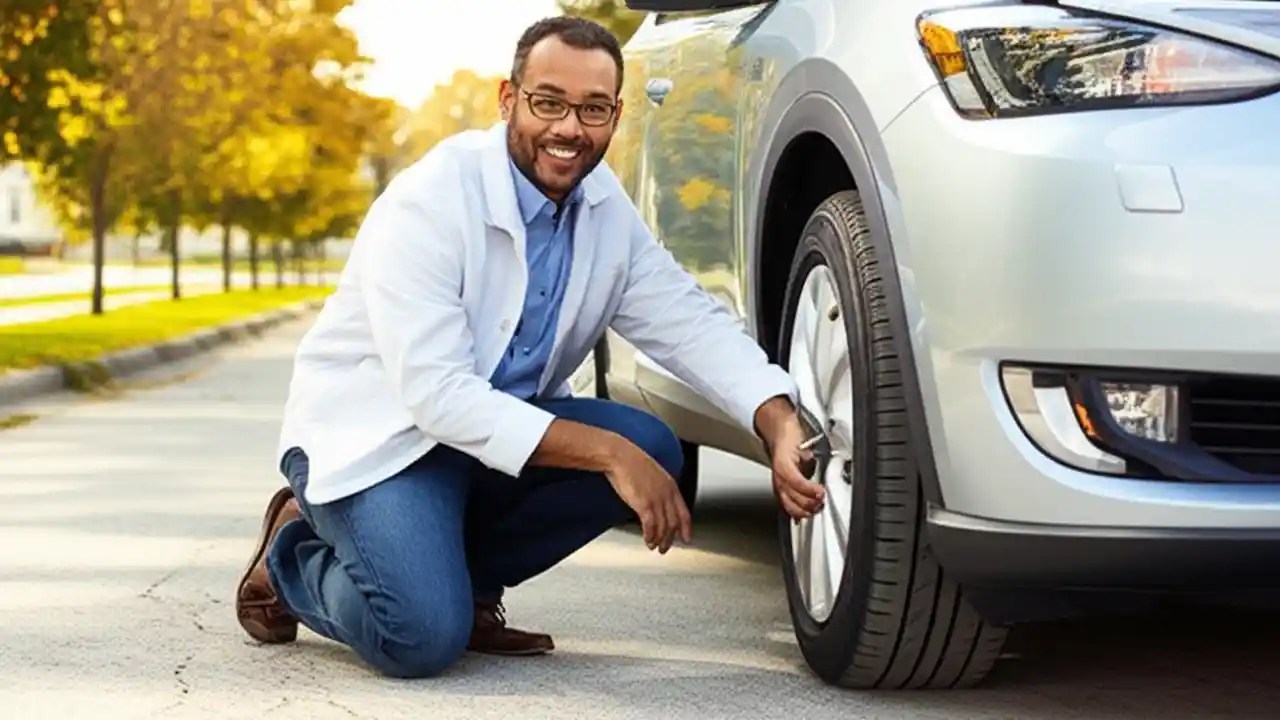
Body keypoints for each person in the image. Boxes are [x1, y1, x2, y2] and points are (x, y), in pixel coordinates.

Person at [235, 16, 826, 679]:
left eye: (593, 109)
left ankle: (464, 585)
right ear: (508, 98)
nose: (570, 129)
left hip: (488, 446)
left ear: (616, 114)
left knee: (653, 446)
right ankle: (292, 555)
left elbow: (690, 322)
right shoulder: (430, 202)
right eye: (549, 102)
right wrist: (608, 451)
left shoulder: (604, 210)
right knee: (420, 637)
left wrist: (776, 417)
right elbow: (437, 395)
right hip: (383, 441)